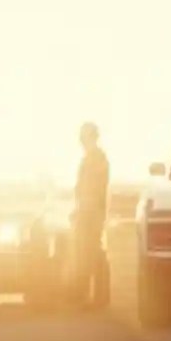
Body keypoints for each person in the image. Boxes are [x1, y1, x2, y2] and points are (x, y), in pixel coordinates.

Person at [73, 121, 110, 309]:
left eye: (83, 135)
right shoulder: (92, 157)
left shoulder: (95, 157)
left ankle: (95, 297)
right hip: (90, 210)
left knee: (90, 252)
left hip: (91, 211)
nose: (80, 139)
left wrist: (84, 210)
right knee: (89, 252)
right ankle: (94, 297)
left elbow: (93, 188)